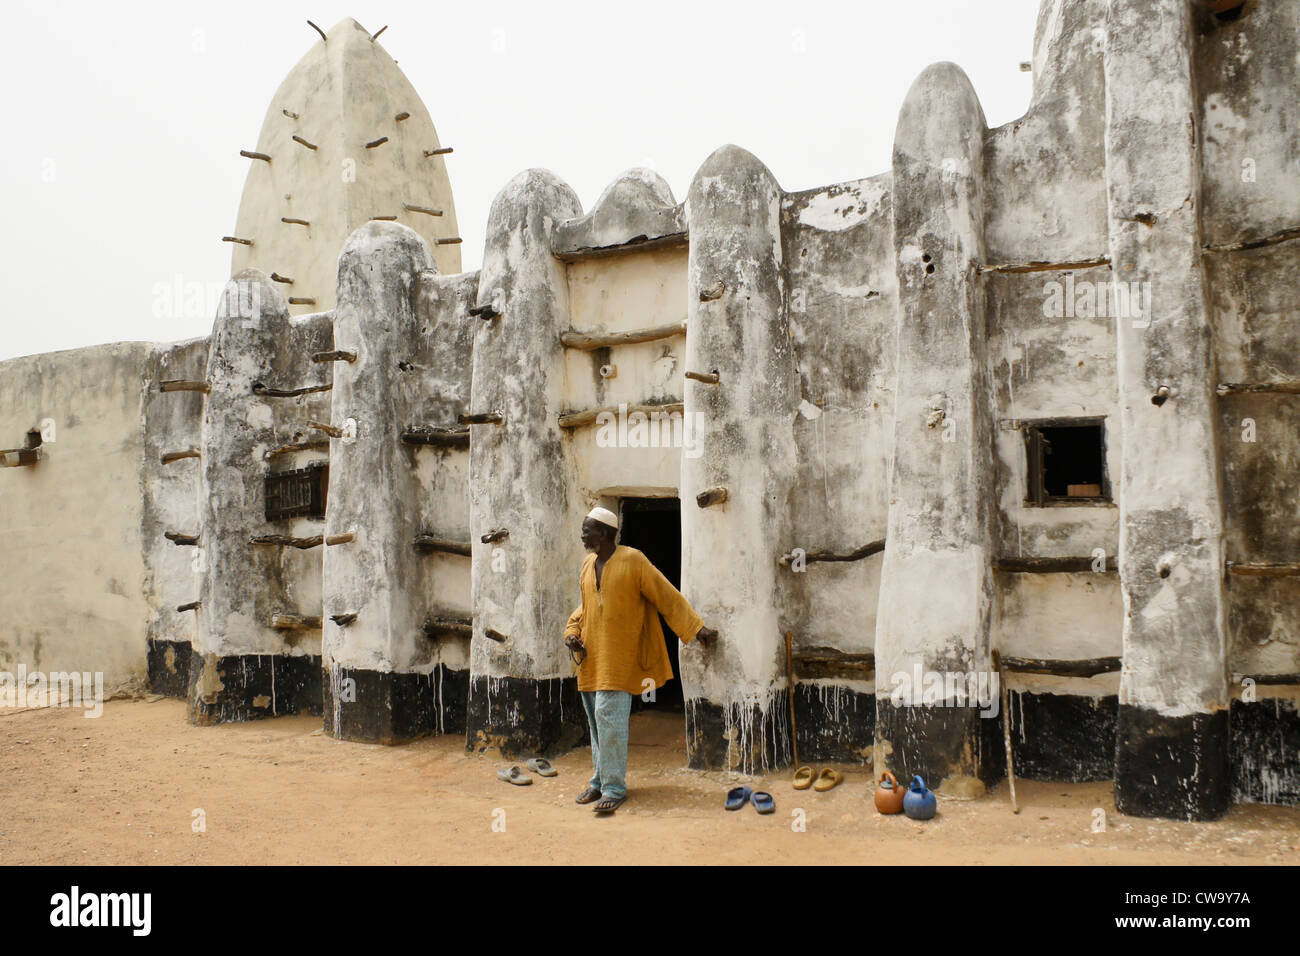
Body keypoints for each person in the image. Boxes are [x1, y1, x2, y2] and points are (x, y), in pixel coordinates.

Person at [564, 506, 717, 814]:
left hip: (621, 659)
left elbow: (666, 595)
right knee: (596, 723)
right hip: (591, 658)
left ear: (605, 533)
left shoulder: (634, 560)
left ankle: (614, 788)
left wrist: (695, 628)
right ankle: (598, 781)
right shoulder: (587, 564)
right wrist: (571, 632)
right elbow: (584, 607)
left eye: (587, 531)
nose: (583, 536)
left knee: (610, 721)